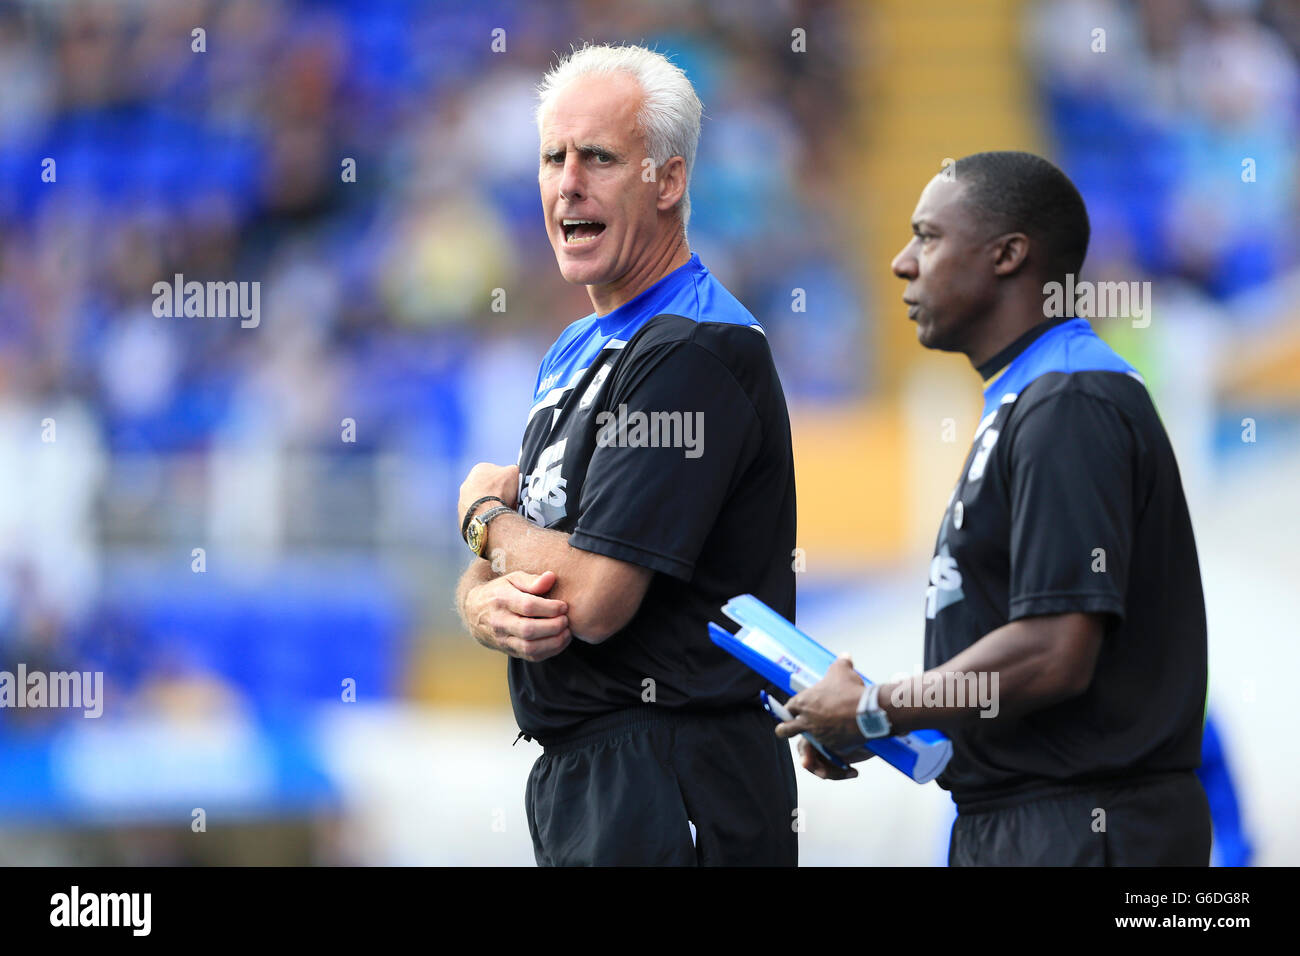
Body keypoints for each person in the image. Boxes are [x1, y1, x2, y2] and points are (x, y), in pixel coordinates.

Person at [776, 151, 1210, 866]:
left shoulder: (1069, 401)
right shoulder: (1027, 399)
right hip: (1030, 824)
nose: (901, 262)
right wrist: (873, 726)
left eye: (928, 236)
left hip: (1087, 833)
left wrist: (877, 705)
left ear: (1009, 255)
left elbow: (1053, 654)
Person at [454, 43, 798, 866]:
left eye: (599, 158)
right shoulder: (575, 348)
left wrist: (478, 517)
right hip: (591, 776)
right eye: (552, 157)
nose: (568, 182)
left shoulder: (693, 350)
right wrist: (477, 600)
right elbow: (533, 542)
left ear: (669, 181)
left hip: (675, 774)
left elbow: (594, 595)